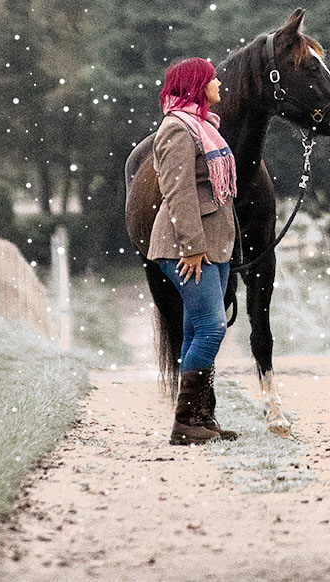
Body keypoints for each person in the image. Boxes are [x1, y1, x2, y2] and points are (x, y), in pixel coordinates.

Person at [147, 57, 239, 445]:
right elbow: (178, 192)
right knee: (212, 327)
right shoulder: (176, 130)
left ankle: (199, 417)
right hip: (186, 246)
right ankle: (186, 422)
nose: (219, 82)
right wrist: (191, 247)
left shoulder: (203, 127)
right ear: (197, 85)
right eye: (212, 77)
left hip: (212, 244)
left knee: (194, 327)